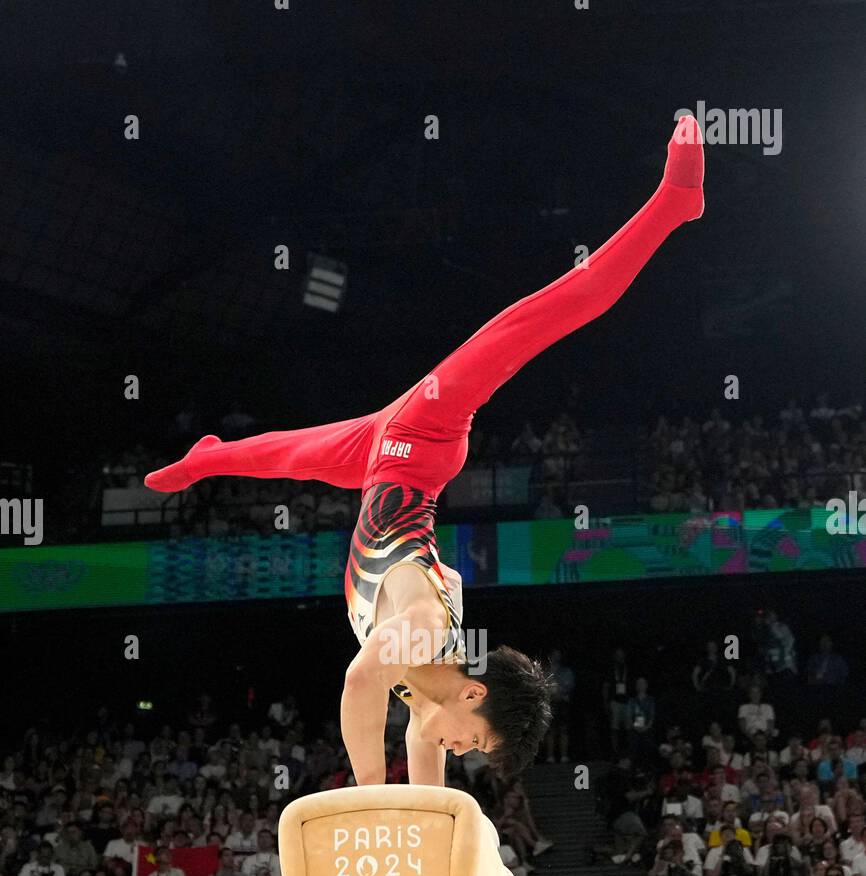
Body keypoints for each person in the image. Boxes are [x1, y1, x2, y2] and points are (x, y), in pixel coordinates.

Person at [145, 116, 705, 785]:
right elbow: (358, 684)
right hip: (421, 443)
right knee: (537, 319)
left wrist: (427, 823)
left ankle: (208, 457)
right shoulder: (424, 632)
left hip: (382, 456)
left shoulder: (424, 677)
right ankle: (674, 204)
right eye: (478, 741)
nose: (466, 750)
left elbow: (423, 737)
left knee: (287, 457)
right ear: (473, 694)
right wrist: (372, 800)